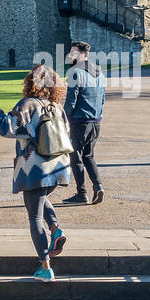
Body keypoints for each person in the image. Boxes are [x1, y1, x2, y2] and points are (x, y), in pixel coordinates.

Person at [0, 63, 72, 282]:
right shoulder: (56, 105)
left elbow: (7, 128)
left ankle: (45, 267)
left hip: (34, 168)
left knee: (34, 217)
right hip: (57, 167)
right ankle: (56, 230)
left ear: (31, 82)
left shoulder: (28, 105)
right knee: (41, 200)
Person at [62, 40, 106, 205]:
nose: (70, 55)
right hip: (95, 121)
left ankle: (82, 193)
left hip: (80, 121)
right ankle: (98, 185)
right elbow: (102, 100)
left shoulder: (75, 72)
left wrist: (63, 119)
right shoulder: (99, 73)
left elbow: (71, 101)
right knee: (89, 156)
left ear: (82, 55)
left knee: (76, 157)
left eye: (73, 52)